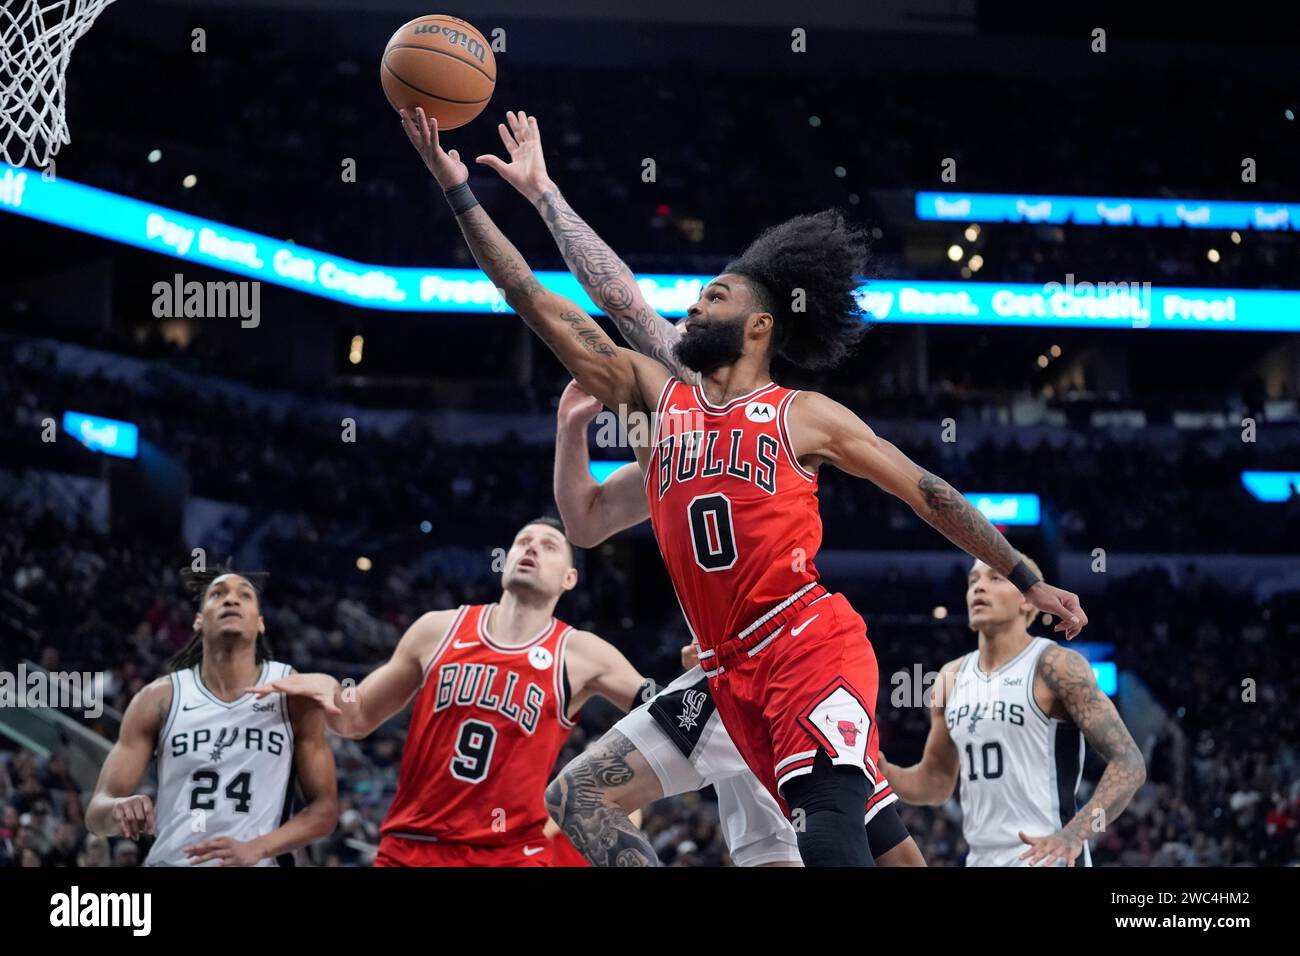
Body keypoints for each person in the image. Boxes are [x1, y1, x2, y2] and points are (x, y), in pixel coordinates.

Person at [402, 106, 1087, 866]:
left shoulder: (803, 416)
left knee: (829, 835)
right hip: (723, 673)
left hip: (806, 646)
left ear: (760, 327)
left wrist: (1026, 573)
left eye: (716, 296)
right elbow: (537, 296)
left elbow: (926, 492)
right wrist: (462, 192)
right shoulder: (657, 404)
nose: (694, 305)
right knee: (581, 797)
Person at [551, 378, 923, 867]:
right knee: (793, 848)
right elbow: (586, 521)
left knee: (582, 793)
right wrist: (571, 426)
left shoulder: (773, 428)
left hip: (785, 650)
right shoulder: (669, 457)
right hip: (729, 672)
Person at [252, 518, 648, 866]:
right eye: (523, 541)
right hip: (411, 846)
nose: (531, 548)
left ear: (569, 578)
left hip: (508, 854)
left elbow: (665, 710)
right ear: (505, 560)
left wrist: (695, 667)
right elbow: (355, 719)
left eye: (549, 546)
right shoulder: (437, 629)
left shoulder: (580, 652)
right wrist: (333, 688)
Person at [880, 557, 1146, 866]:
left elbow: (1129, 762)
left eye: (995, 578)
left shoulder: (1056, 665)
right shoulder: (949, 679)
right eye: (972, 581)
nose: (979, 586)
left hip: (1048, 859)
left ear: (1028, 598)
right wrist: (887, 774)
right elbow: (937, 782)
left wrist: (1075, 833)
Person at [86, 570, 338, 866]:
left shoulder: (291, 691)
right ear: (198, 620)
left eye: (245, 595)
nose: (231, 599)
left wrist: (257, 847)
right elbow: (95, 815)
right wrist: (117, 807)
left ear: (260, 623)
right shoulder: (158, 698)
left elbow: (325, 810)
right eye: (218, 594)